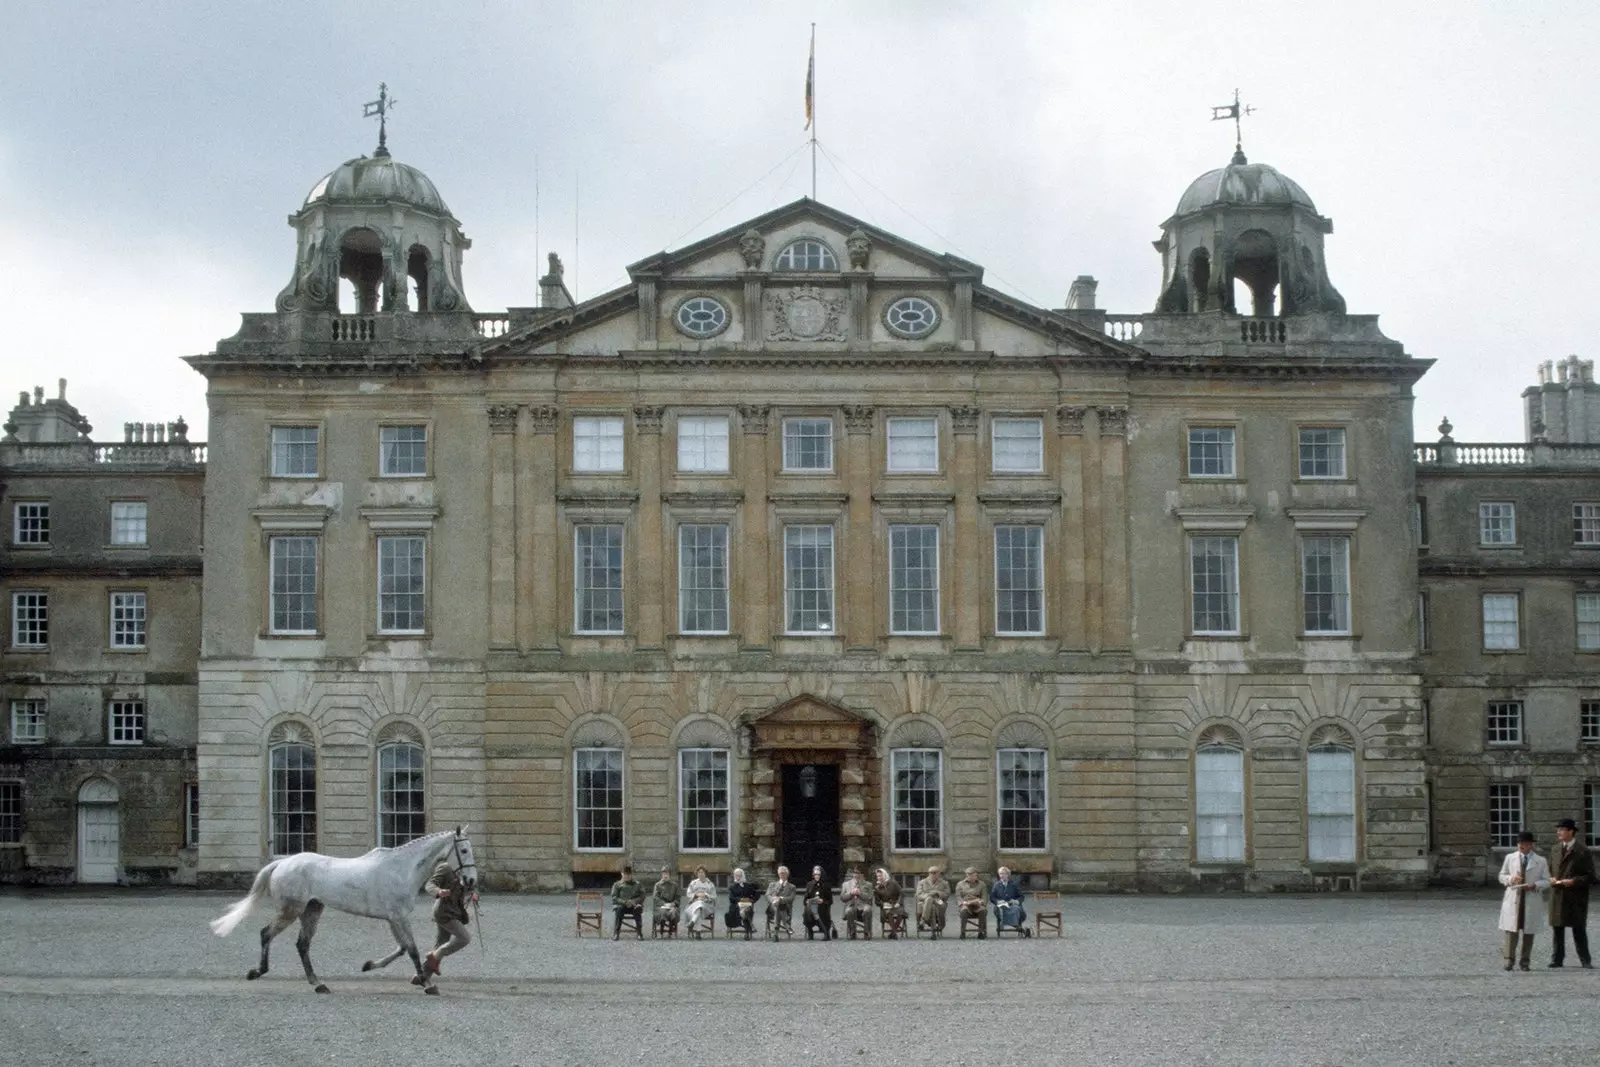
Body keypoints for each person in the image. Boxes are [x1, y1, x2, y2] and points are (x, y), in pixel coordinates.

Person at [415, 854, 473, 992]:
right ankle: (435, 955)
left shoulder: (466, 871)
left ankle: (422, 977)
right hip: (444, 912)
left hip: (453, 912)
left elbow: (467, 889)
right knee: (464, 938)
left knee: (441, 942)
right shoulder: (446, 868)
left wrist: (472, 894)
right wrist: (438, 891)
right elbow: (430, 884)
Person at [1497, 830, 1549, 971]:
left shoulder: (1540, 861)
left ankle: (1525, 962)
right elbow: (1502, 875)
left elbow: (1547, 881)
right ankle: (1508, 960)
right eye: (1519, 843)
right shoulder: (1510, 858)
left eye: (1524, 843)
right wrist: (1510, 879)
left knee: (1528, 932)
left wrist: (1535, 885)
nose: (1521, 846)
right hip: (1514, 897)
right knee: (1511, 931)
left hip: (1530, 898)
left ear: (1531, 845)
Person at [1548, 817, 1595, 968]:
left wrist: (1574, 881)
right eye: (1558, 829)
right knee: (1557, 928)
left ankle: (1585, 960)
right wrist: (1550, 878)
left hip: (1576, 896)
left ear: (1571, 832)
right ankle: (1557, 959)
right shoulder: (1555, 849)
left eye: (1562, 829)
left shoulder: (1582, 851)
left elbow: (1591, 876)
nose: (1559, 832)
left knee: (1578, 928)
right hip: (1557, 894)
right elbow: (1548, 869)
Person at [990, 865, 1030, 937]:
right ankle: (1018, 927)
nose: (1002, 875)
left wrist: (1015, 901)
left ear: (1008, 874)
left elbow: (1021, 896)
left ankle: (1016, 926)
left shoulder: (1014, 884)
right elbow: (992, 897)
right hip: (1001, 906)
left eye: (1004, 873)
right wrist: (998, 901)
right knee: (1002, 910)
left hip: (1012, 905)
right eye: (1000, 874)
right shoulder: (996, 885)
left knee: (1016, 908)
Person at [915, 865, 952, 939]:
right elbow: (919, 895)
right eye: (931, 873)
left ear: (939, 873)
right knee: (931, 904)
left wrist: (937, 893)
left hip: (939, 901)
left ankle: (923, 921)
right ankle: (933, 932)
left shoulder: (944, 883)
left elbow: (947, 894)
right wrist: (929, 896)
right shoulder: (922, 882)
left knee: (933, 903)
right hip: (924, 903)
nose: (932, 874)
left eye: (935, 872)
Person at [610, 865, 645, 940]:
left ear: (631, 875)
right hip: (622, 905)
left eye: (628, 875)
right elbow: (614, 897)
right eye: (625, 874)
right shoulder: (617, 884)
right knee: (619, 911)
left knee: (638, 909)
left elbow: (642, 896)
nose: (627, 876)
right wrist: (624, 902)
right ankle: (616, 933)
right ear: (622, 874)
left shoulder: (637, 884)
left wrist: (634, 901)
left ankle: (639, 933)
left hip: (634, 905)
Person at [726, 867, 762, 940]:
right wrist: (740, 899)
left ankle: (747, 931)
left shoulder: (747, 886)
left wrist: (752, 900)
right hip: (736, 906)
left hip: (747, 905)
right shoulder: (732, 887)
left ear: (742, 876)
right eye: (736, 875)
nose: (738, 877)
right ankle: (748, 931)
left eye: (739, 875)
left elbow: (757, 893)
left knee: (747, 909)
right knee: (746, 912)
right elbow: (731, 898)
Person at [803, 865, 835, 941]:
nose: (816, 876)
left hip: (822, 907)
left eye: (818, 874)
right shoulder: (809, 884)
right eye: (815, 875)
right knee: (809, 911)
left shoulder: (826, 885)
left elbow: (830, 901)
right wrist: (807, 901)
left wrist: (822, 901)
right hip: (810, 907)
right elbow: (805, 899)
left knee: (815, 912)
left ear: (822, 875)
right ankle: (823, 933)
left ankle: (824, 932)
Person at [684, 865, 717, 939]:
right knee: (699, 908)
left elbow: (714, 896)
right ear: (697, 874)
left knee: (700, 905)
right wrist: (696, 895)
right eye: (699, 872)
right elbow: (688, 894)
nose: (701, 874)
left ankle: (692, 922)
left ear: (705, 873)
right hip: (694, 905)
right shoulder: (693, 883)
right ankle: (698, 933)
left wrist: (705, 895)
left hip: (707, 906)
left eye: (702, 872)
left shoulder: (710, 884)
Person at [839, 867, 872, 939]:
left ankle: (866, 932)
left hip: (864, 905)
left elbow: (870, 897)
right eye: (854, 873)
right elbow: (842, 898)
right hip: (851, 905)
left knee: (867, 909)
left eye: (857, 873)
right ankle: (852, 931)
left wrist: (860, 893)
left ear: (862, 875)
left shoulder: (868, 884)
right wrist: (851, 893)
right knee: (848, 911)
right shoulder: (846, 884)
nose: (855, 875)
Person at [765, 864, 797, 939]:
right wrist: (774, 900)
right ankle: (787, 926)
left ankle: (775, 933)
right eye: (780, 873)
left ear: (787, 874)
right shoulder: (772, 885)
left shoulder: (792, 887)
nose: (782, 875)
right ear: (778, 874)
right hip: (772, 908)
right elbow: (767, 895)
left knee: (779, 905)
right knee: (777, 905)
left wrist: (781, 899)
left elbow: (791, 898)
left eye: (784, 873)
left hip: (786, 908)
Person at [873, 867, 906, 938]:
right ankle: (894, 933)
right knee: (889, 913)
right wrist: (883, 904)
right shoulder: (877, 888)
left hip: (896, 904)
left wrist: (898, 902)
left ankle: (892, 933)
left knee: (900, 914)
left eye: (880, 875)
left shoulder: (893, 883)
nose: (879, 877)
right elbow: (877, 902)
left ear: (884, 875)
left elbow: (901, 893)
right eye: (878, 876)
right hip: (885, 907)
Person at [955, 867, 987, 939]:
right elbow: (958, 896)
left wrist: (981, 902)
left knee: (983, 910)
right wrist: (962, 903)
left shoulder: (982, 884)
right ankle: (963, 932)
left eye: (973, 875)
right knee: (964, 911)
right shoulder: (960, 884)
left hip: (977, 904)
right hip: (966, 904)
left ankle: (981, 932)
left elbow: (984, 896)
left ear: (976, 875)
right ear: (966, 875)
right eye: (969, 875)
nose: (971, 877)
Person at [652, 866, 681, 937]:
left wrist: (673, 903)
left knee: (673, 912)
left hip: (671, 906)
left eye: (667, 874)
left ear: (669, 875)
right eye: (664, 874)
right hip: (661, 906)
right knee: (663, 912)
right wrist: (664, 904)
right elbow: (655, 898)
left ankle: (671, 930)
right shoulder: (658, 885)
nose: (665, 875)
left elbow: (678, 898)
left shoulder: (674, 885)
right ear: (661, 875)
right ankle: (662, 928)